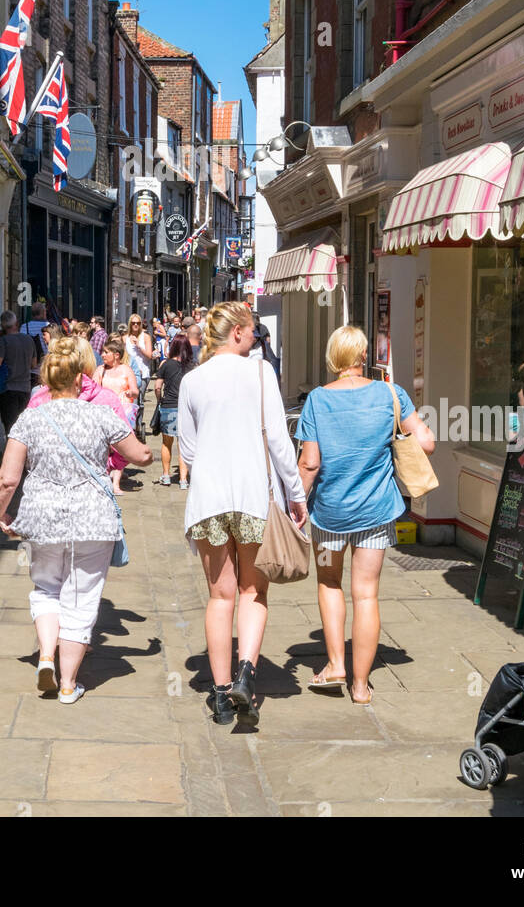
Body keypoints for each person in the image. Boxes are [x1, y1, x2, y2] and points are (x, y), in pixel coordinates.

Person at [0, 337, 152, 704]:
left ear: (46, 381)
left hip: (43, 519)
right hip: (93, 519)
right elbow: (141, 455)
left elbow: (7, 479)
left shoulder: (30, 418)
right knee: (81, 599)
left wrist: (1, 512)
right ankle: (67, 684)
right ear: (81, 380)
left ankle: (46, 655)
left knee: (47, 589)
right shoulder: (100, 415)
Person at [179, 301, 307, 728]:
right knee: (254, 592)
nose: (256, 336)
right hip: (253, 496)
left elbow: (188, 450)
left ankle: (218, 695)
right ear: (236, 331)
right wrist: (296, 494)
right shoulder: (260, 373)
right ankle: (246, 678)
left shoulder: (193, 380)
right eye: (252, 329)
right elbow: (279, 441)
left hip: (208, 500)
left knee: (220, 597)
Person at [296, 326, 435, 702]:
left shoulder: (318, 400)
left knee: (329, 583)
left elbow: (309, 463)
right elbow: (426, 442)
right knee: (367, 594)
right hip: (376, 511)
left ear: (333, 358)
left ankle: (336, 665)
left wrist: (294, 506)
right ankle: (360, 685)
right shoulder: (391, 393)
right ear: (362, 357)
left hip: (328, 515)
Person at [29, 338, 133, 493]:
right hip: (92, 490)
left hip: (47, 489)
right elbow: (127, 448)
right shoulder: (106, 398)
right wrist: (107, 464)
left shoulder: (39, 398)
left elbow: (24, 447)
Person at [94, 337, 140, 490]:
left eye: (106, 352)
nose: (102, 355)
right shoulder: (100, 370)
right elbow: (93, 390)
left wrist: (130, 393)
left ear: (116, 355)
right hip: (104, 414)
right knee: (105, 447)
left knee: (120, 447)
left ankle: (116, 484)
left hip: (122, 413)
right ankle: (105, 476)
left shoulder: (126, 369)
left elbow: (135, 391)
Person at [153, 332, 194, 489]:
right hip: (185, 409)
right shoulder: (191, 366)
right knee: (182, 444)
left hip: (168, 406)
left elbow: (157, 386)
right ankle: (183, 480)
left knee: (166, 443)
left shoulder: (166, 365)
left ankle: (166, 475)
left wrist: (160, 399)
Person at [0, 310, 38, 434]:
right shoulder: (29, 340)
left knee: (11, 428)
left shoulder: (4, 341)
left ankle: (12, 452)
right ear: (16, 323)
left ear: (2, 326)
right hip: (25, 388)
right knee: (23, 427)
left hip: (8, 390)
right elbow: (34, 364)